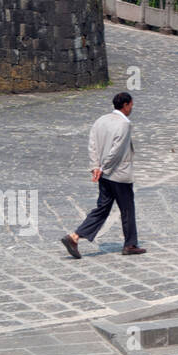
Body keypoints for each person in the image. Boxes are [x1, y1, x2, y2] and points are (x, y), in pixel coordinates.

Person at [61, 92, 143, 258]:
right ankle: (130, 244)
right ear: (126, 105)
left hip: (104, 175)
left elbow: (93, 145)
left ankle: (75, 237)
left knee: (102, 209)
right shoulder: (124, 124)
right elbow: (117, 151)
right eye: (131, 105)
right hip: (118, 174)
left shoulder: (101, 120)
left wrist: (95, 166)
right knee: (127, 209)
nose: (132, 108)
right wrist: (103, 167)